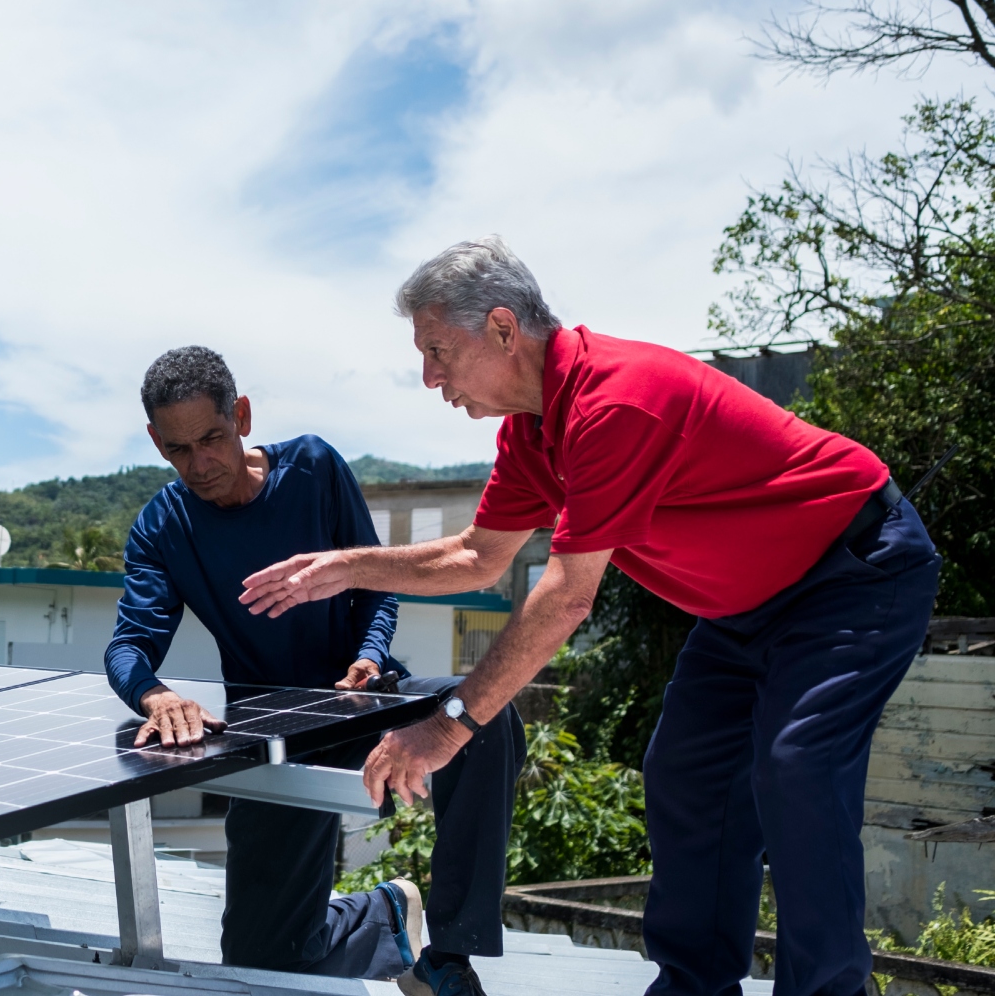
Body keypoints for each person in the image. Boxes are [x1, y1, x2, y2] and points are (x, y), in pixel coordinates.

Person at [240, 237, 941, 996]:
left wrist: (447, 726)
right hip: (747, 607)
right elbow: (480, 557)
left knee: (797, 767)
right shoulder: (532, 433)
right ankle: (695, 985)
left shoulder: (617, 400)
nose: (429, 377)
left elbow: (569, 597)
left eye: (439, 350)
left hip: (851, 568)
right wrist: (349, 566)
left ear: (505, 330)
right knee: (685, 773)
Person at [105, 345, 524, 993]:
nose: (200, 463)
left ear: (240, 415)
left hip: (363, 704)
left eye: (212, 438)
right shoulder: (163, 528)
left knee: (484, 711)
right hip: (273, 735)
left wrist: (368, 655)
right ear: (157, 444)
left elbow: (377, 586)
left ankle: (448, 954)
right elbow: (128, 647)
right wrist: (154, 694)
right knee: (260, 965)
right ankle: (382, 916)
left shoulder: (314, 468)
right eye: (179, 449)